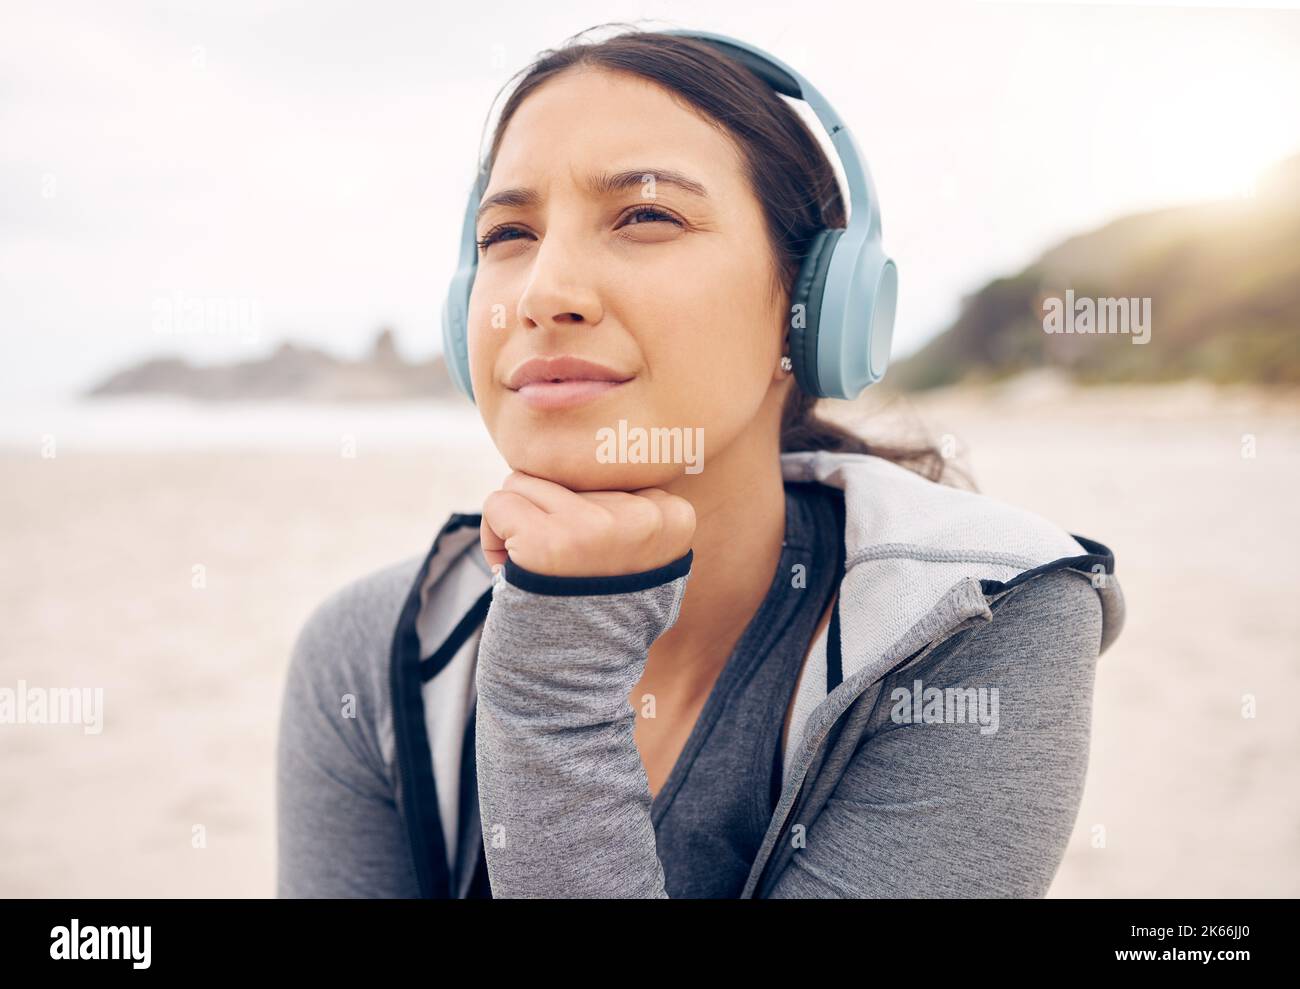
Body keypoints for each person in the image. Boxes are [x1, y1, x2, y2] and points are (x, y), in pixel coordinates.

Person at [275, 24, 1127, 899]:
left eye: (647, 215)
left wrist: (556, 683)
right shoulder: (371, 649)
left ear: (814, 308)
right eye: (508, 234)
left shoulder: (978, 618)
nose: (543, 294)